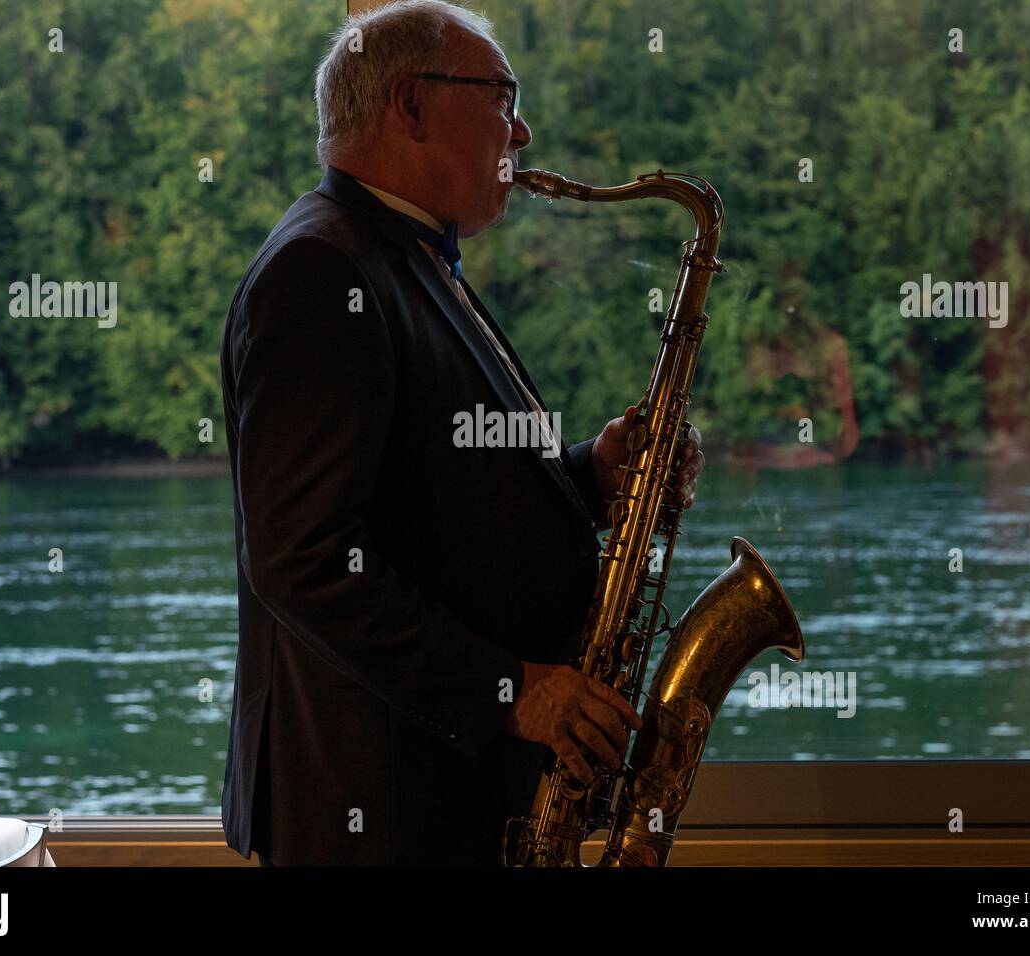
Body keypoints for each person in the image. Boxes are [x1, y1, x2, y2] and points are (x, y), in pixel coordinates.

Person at [218, 0, 704, 866]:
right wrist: (514, 694)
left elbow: (439, 500)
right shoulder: (322, 269)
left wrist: (593, 474)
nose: (520, 131)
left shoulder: (399, 253)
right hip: (383, 812)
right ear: (408, 104)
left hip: (431, 796)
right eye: (500, 96)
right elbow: (304, 559)